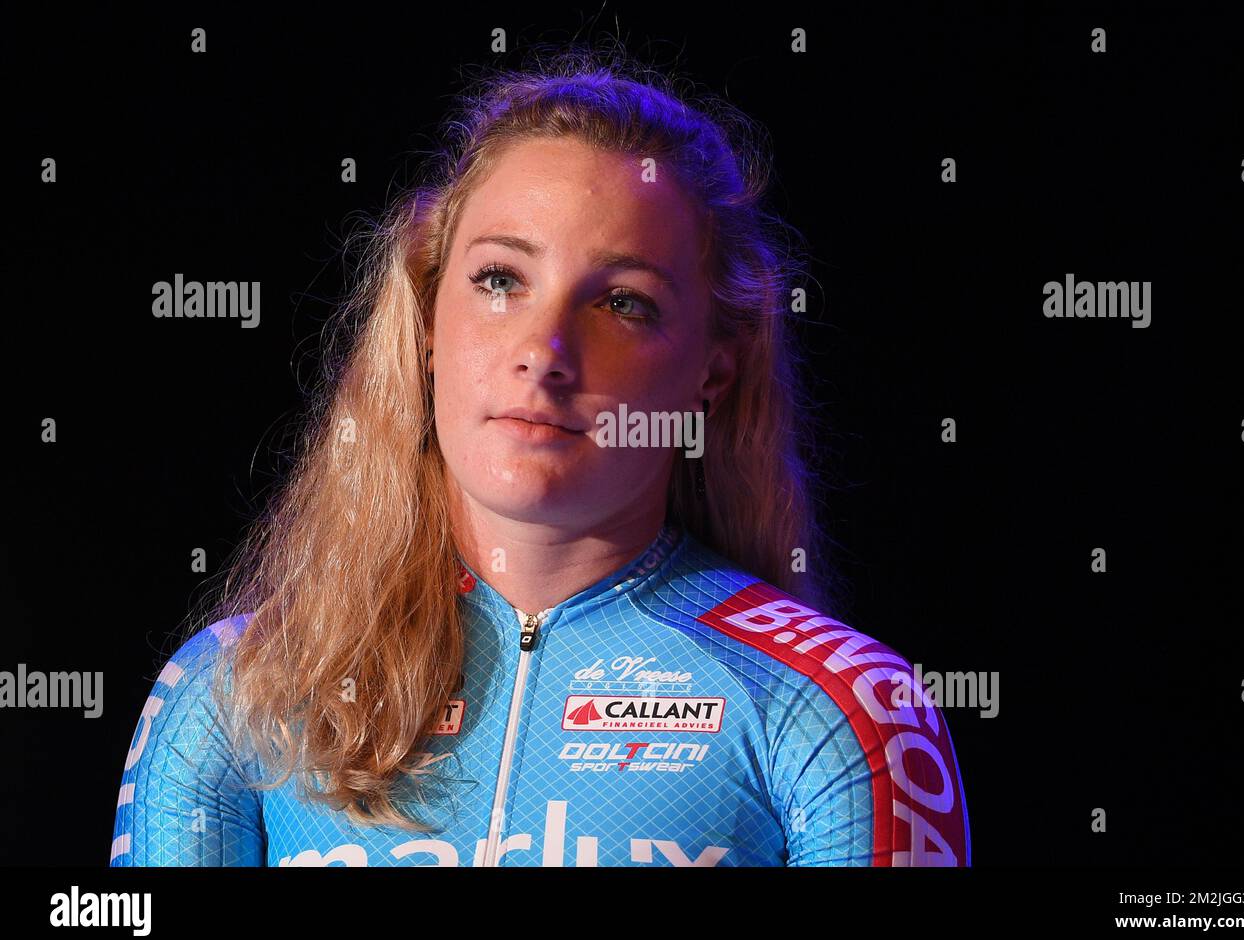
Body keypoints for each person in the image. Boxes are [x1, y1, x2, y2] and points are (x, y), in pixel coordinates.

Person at [109, 48, 971, 867]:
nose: (544, 349)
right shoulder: (238, 692)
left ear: (713, 369)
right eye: (499, 280)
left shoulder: (840, 711)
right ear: (428, 322)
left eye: (623, 301)